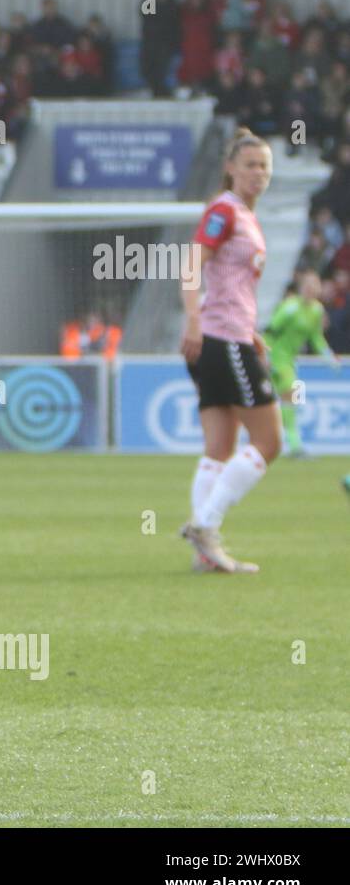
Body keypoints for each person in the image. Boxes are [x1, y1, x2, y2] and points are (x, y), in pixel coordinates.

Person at [179, 127, 280, 573]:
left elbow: (232, 285)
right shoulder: (224, 210)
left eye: (265, 166)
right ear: (231, 169)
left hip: (230, 335)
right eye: (251, 165)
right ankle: (206, 523)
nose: (259, 173)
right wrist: (195, 320)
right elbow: (191, 262)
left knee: (219, 445)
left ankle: (206, 553)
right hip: (222, 338)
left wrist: (251, 329)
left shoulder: (245, 215)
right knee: (269, 440)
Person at [264, 271, 342, 457]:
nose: (312, 290)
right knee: (291, 394)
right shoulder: (290, 307)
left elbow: (316, 337)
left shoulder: (316, 310)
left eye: (315, 286)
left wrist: (328, 356)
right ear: (302, 288)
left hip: (290, 359)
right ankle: (293, 443)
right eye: (308, 286)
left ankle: (288, 442)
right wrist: (264, 355)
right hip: (275, 356)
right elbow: (271, 331)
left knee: (289, 398)